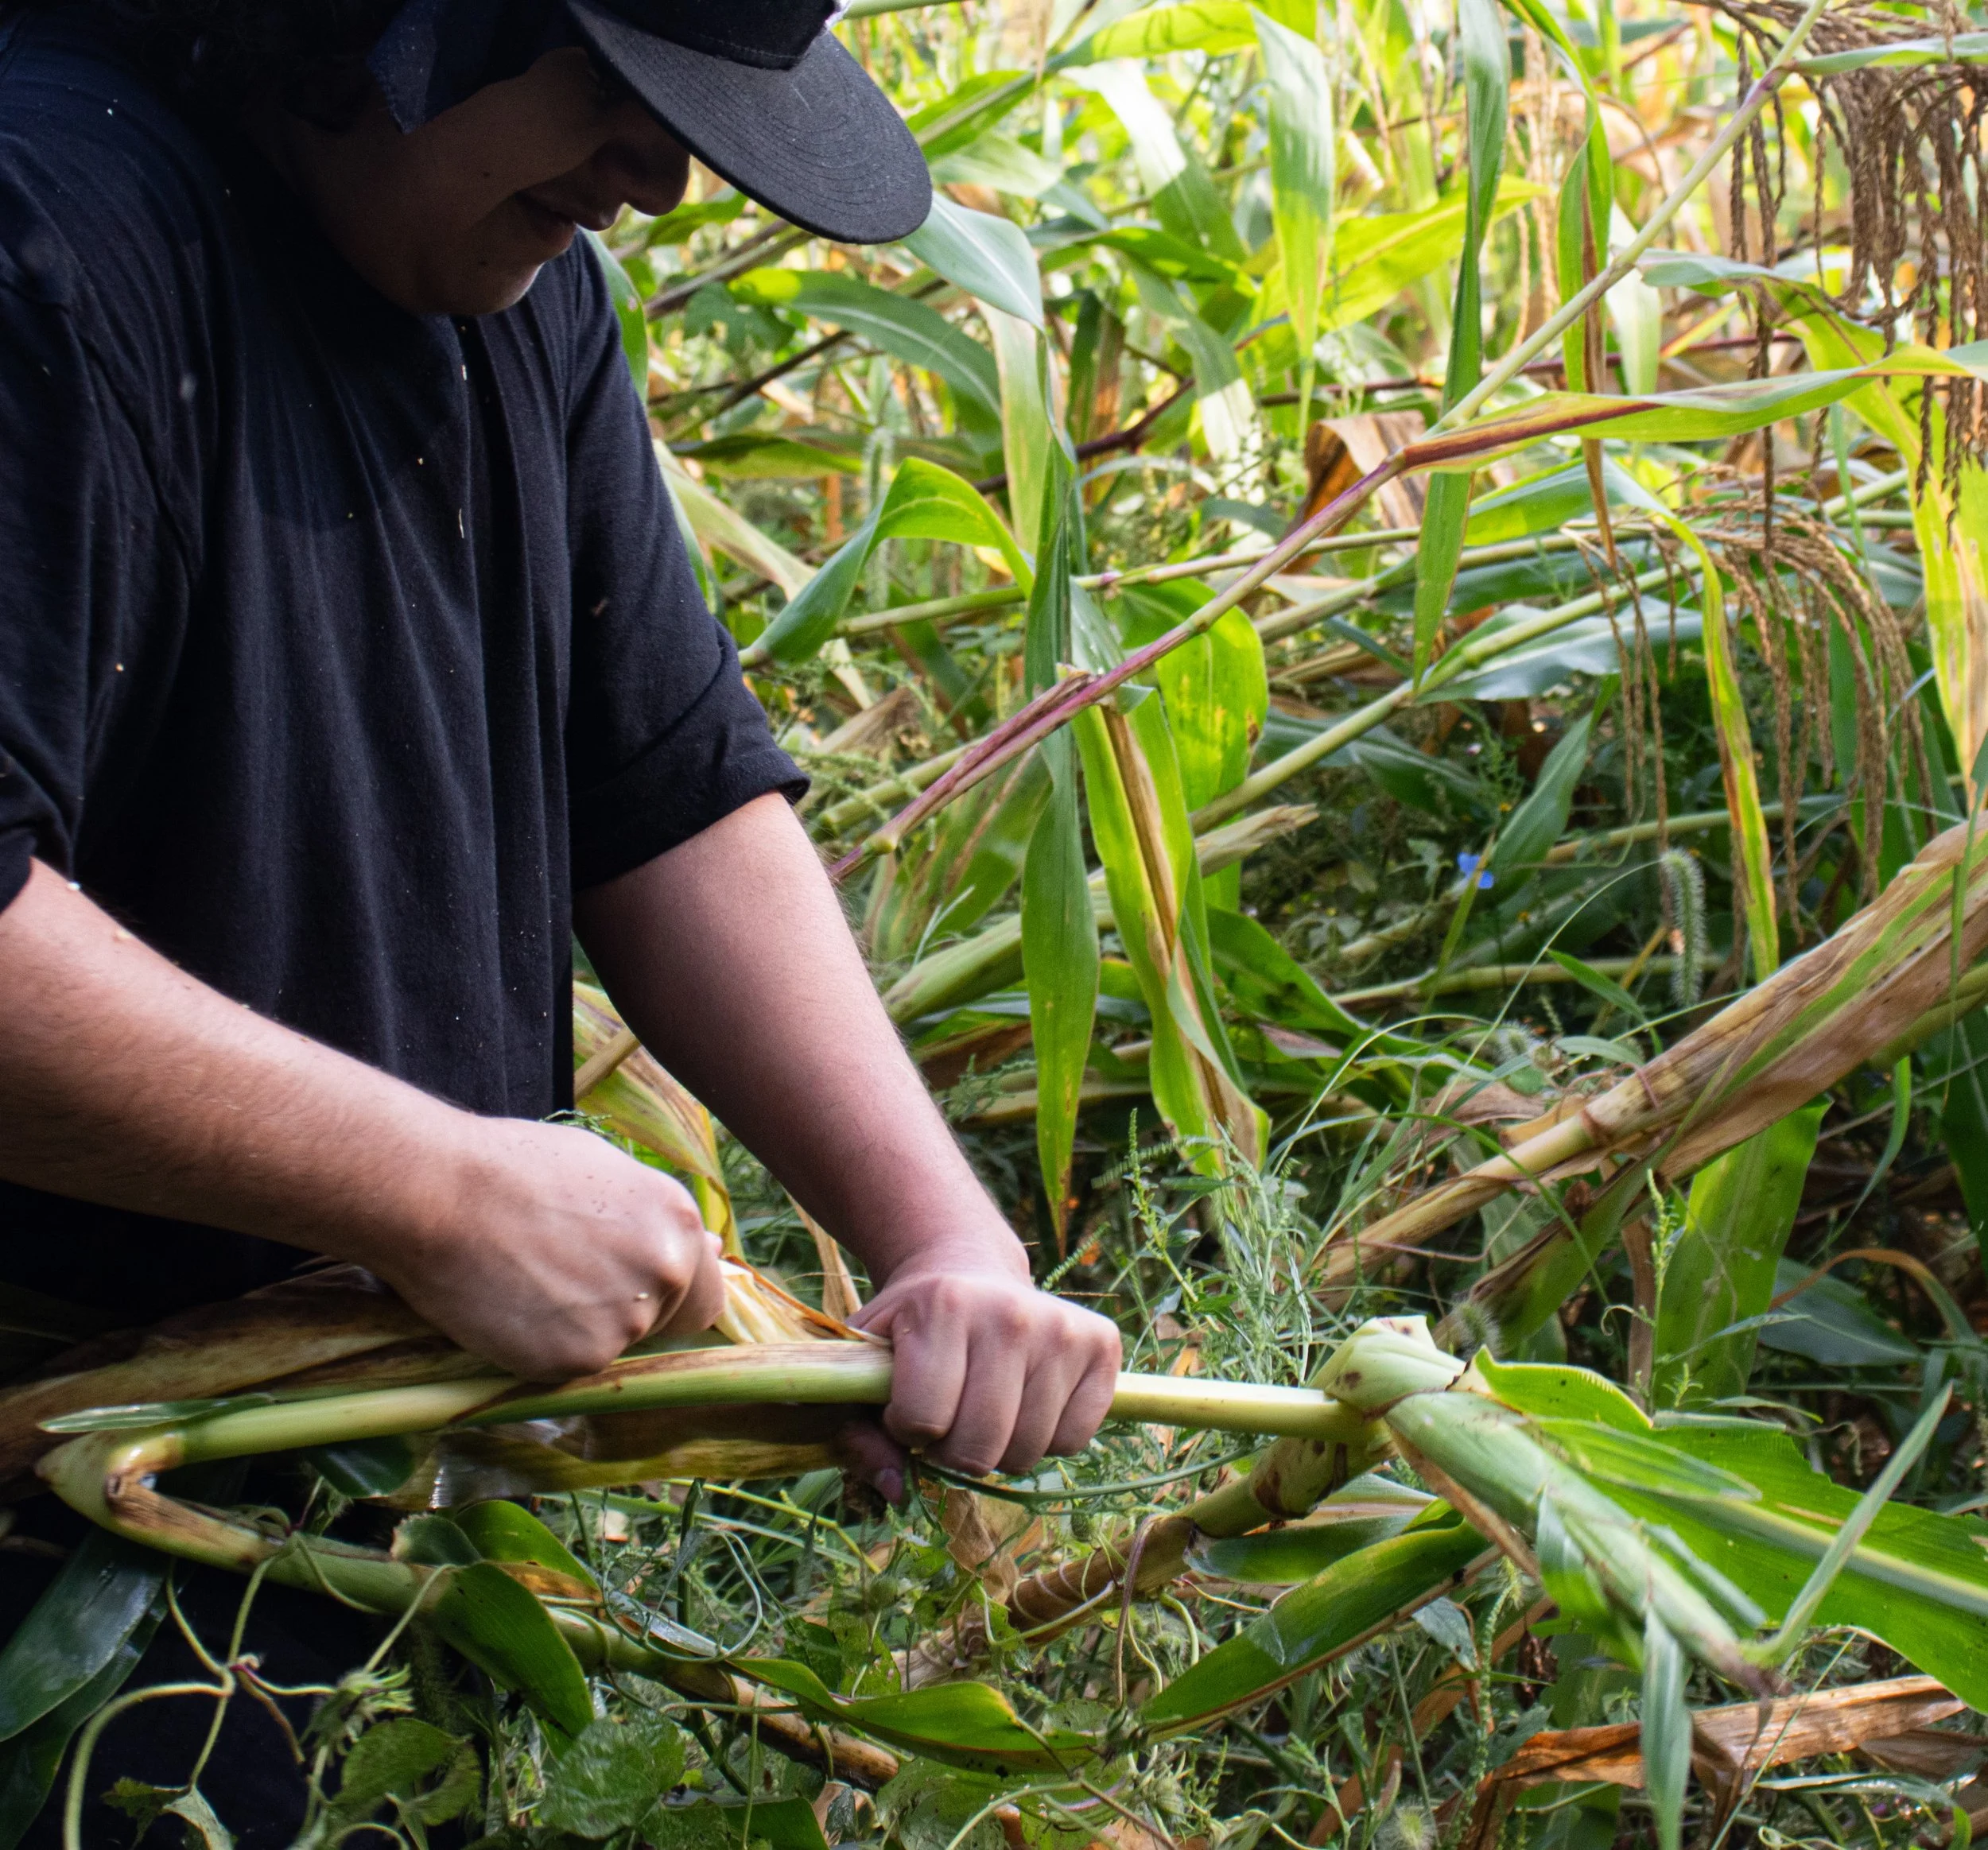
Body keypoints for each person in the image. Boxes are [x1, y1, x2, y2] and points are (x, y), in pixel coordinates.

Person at [0, 0, 1120, 1836]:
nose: (655, 178)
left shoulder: (512, 302)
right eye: (607, 83)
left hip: (344, 1507)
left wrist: (939, 1236)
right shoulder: (48, 231)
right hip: (60, 1530)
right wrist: (437, 1191)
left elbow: (668, 792)